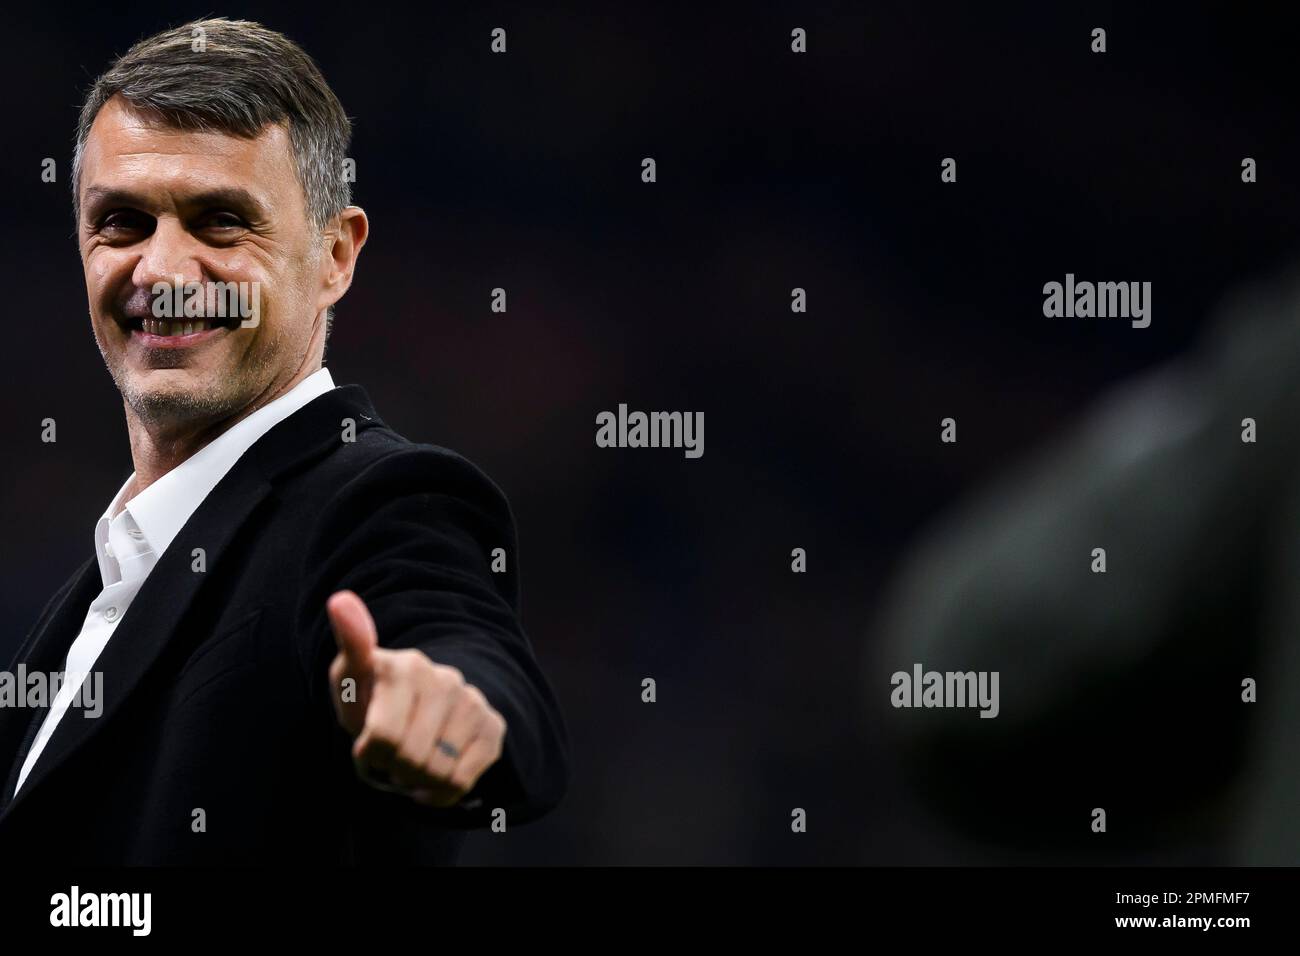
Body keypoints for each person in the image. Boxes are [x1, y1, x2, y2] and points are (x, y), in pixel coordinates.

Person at [0, 17, 570, 864]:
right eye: (121, 222)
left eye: (220, 222)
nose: (162, 271)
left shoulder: (379, 502)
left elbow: (455, 644)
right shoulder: (101, 584)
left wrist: (455, 711)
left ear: (335, 255)